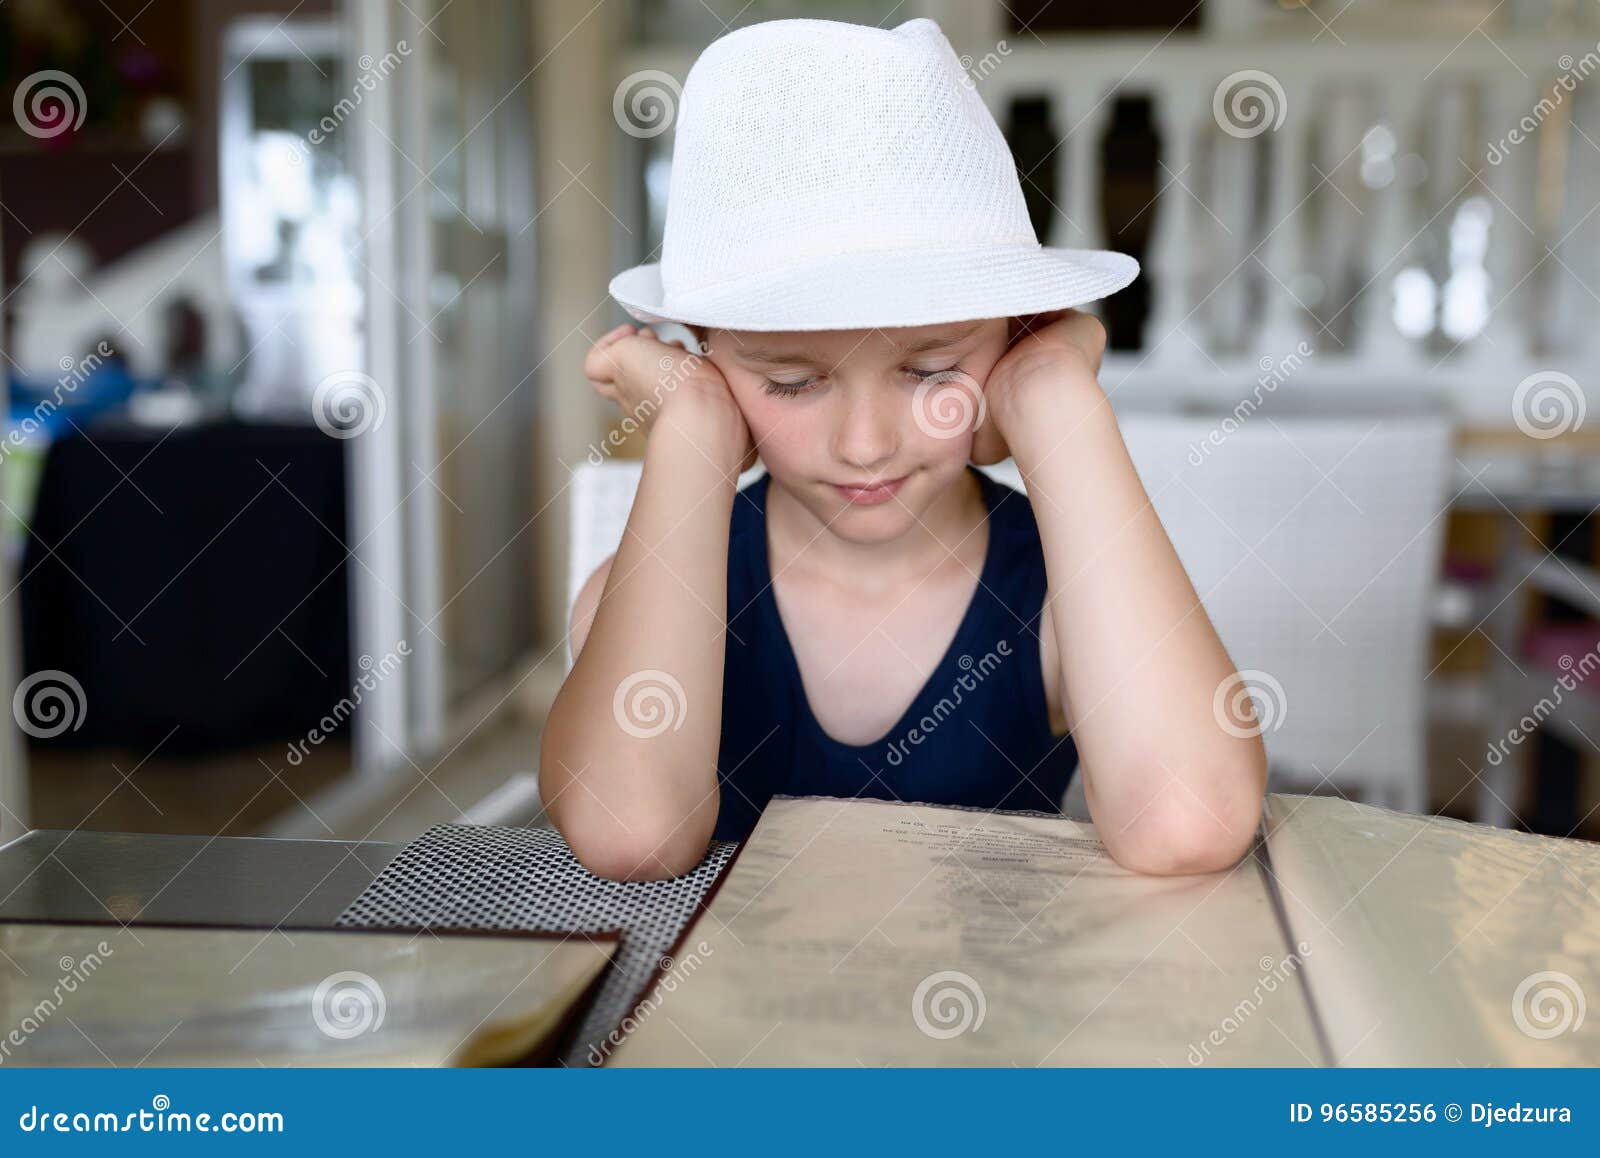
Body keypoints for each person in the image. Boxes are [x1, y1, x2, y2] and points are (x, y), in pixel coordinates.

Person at [540, 17, 1266, 880]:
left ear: (1013, 337)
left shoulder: (1065, 590)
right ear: (704, 351)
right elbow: (631, 836)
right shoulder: (646, 593)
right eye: (793, 383)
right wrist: (691, 427)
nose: (866, 444)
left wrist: (1053, 398)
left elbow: (1188, 823)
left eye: (930, 370)